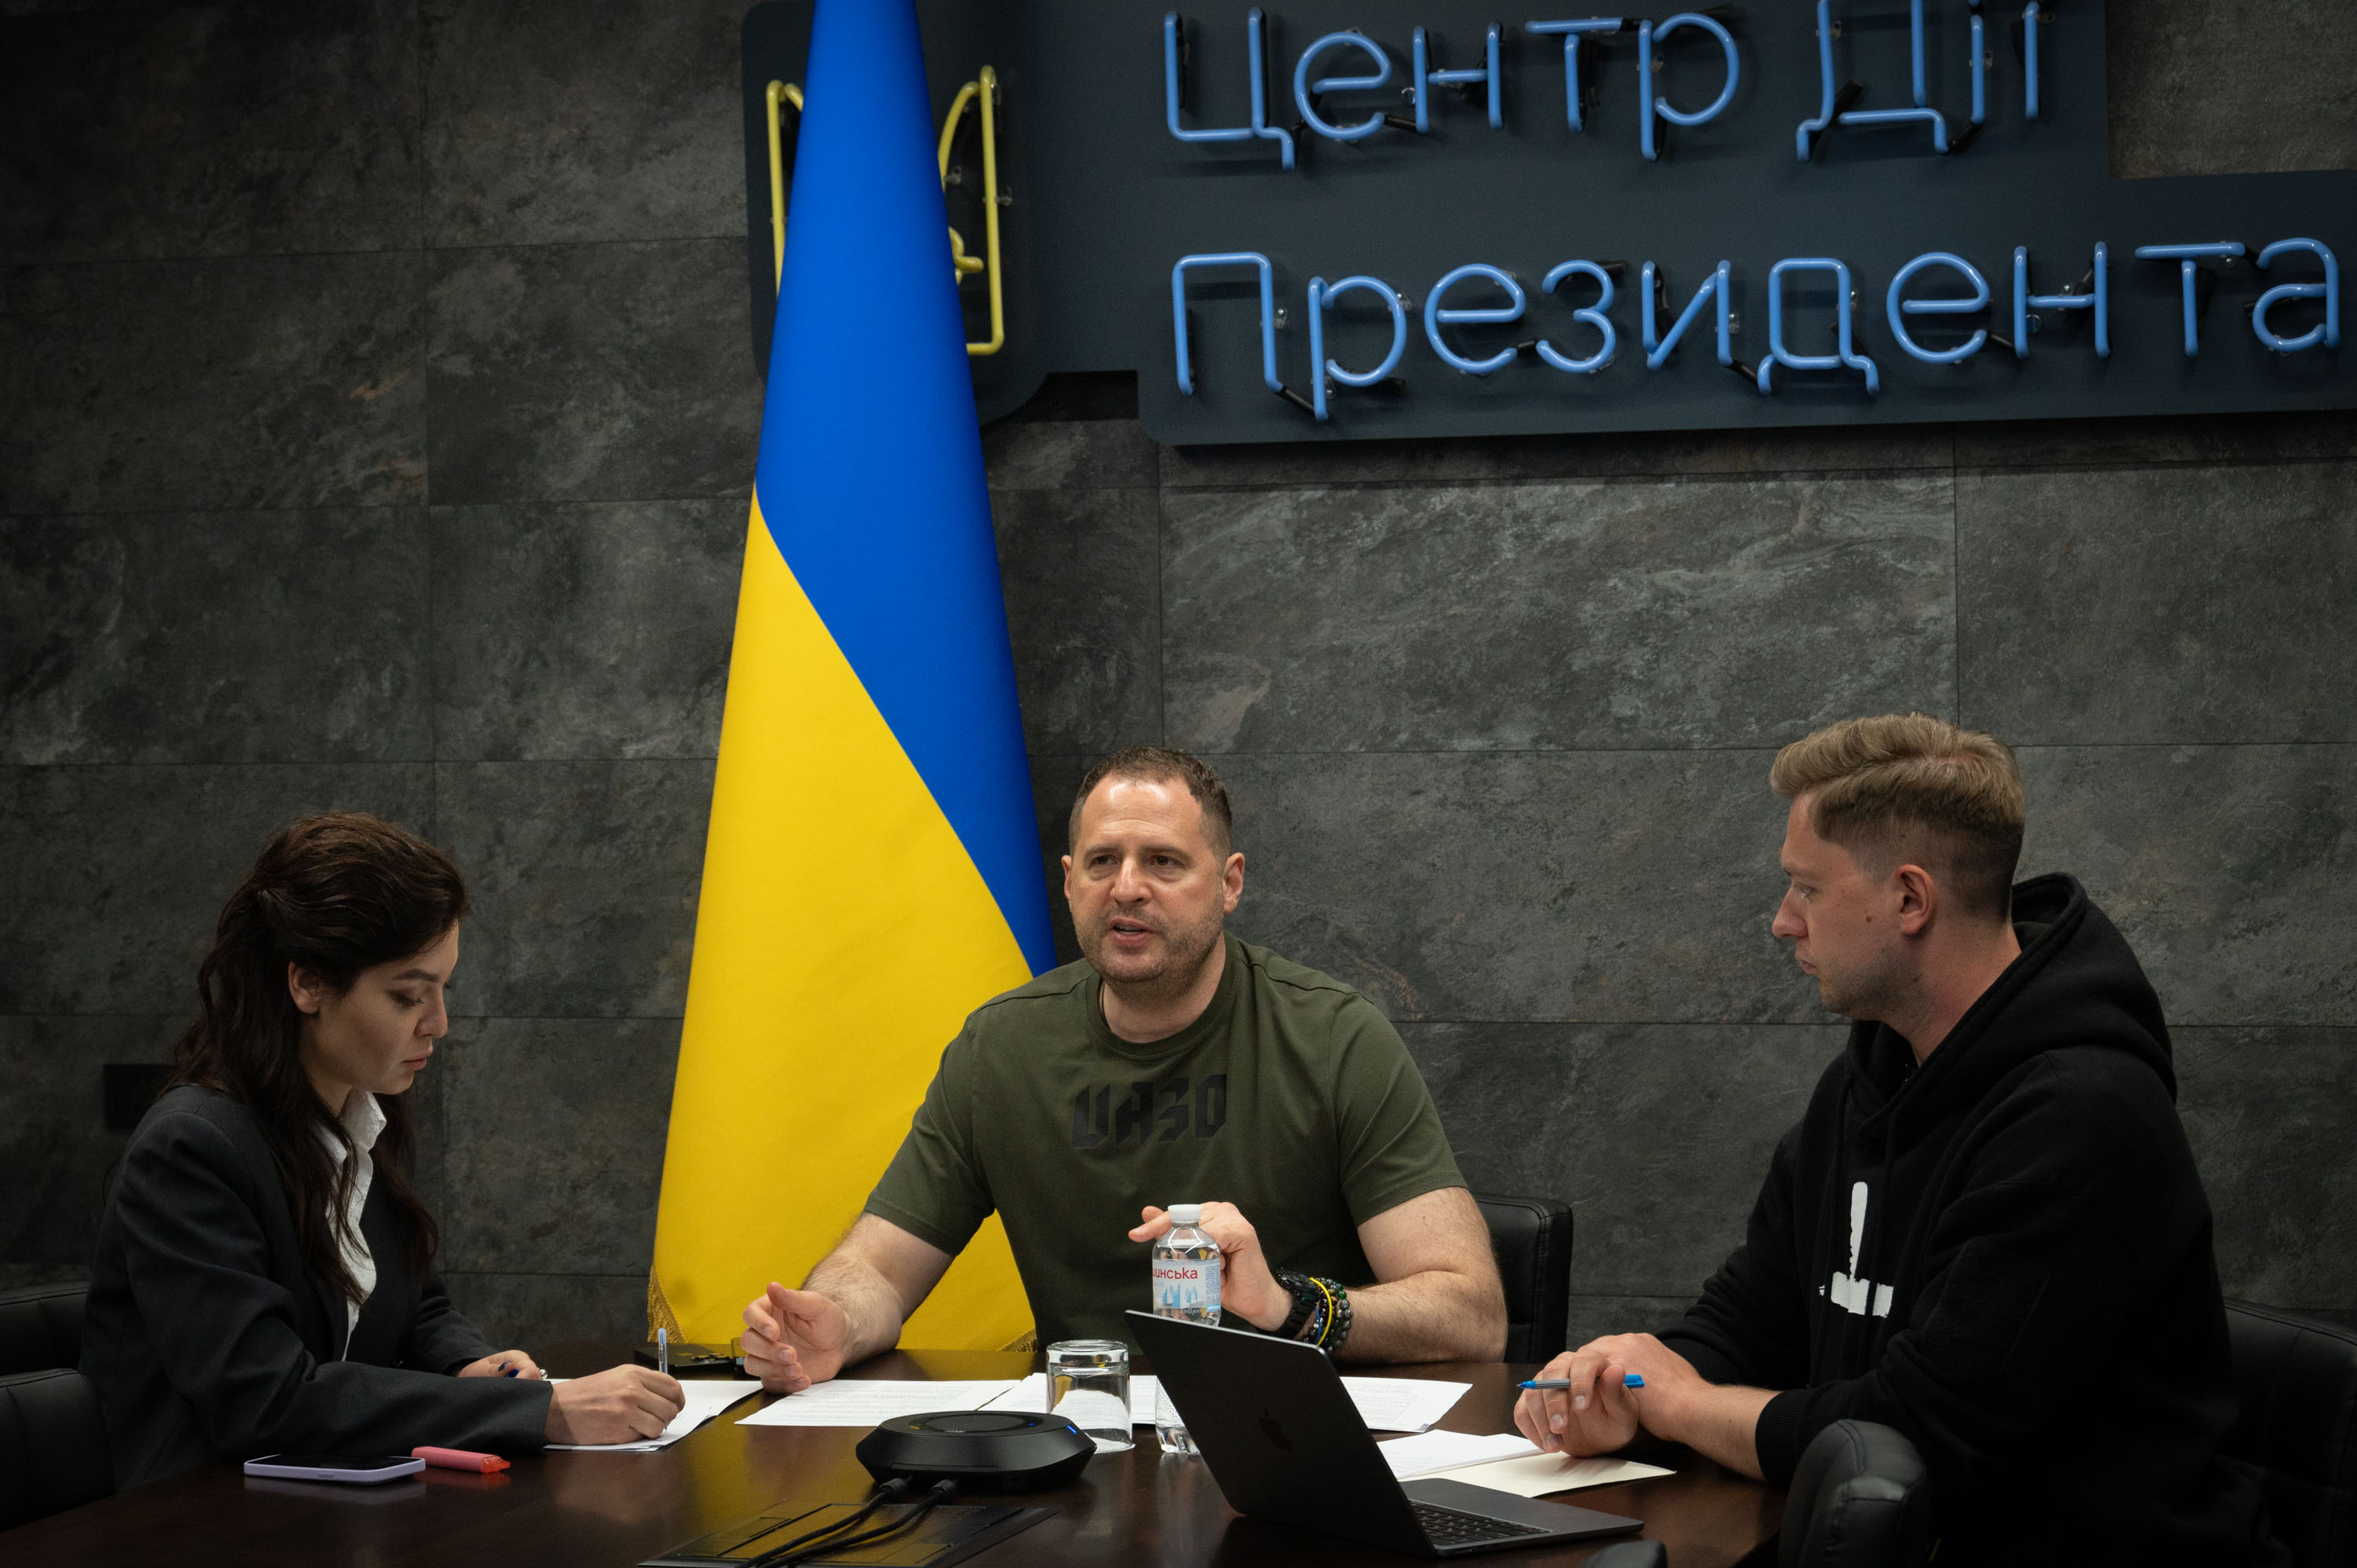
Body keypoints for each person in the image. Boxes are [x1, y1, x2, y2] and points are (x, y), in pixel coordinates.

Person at [1512, 715, 2282, 1566]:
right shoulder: (1866, 1081)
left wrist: (1680, 1403)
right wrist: (1618, 1382)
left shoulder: (2082, 1117)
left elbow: (1919, 1437)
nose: (1782, 922)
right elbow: (1753, 1318)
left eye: (1806, 888)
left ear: (1911, 899)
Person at [741, 746, 1505, 1388]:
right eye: (1103, 861)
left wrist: (1287, 1307)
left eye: (1164, 861)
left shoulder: (1335, 1038)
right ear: (1071, 881)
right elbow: (876, 1269)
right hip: (1077, 1453)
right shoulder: (1000, 1050)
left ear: (1231, 881)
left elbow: (1472, 1312)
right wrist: (832, 1320)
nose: (1128, 887)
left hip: (1289, 1451)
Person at [83, 813, 683, 1486]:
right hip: (192, 1524)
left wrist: (467, 1364)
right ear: (307, 984)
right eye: (407, 996)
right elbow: (267, 1400)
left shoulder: (360, 1113)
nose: (439, 1024)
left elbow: (413, 1304)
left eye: (442, 990)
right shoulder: (191, 1150)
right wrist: (535, 1410)